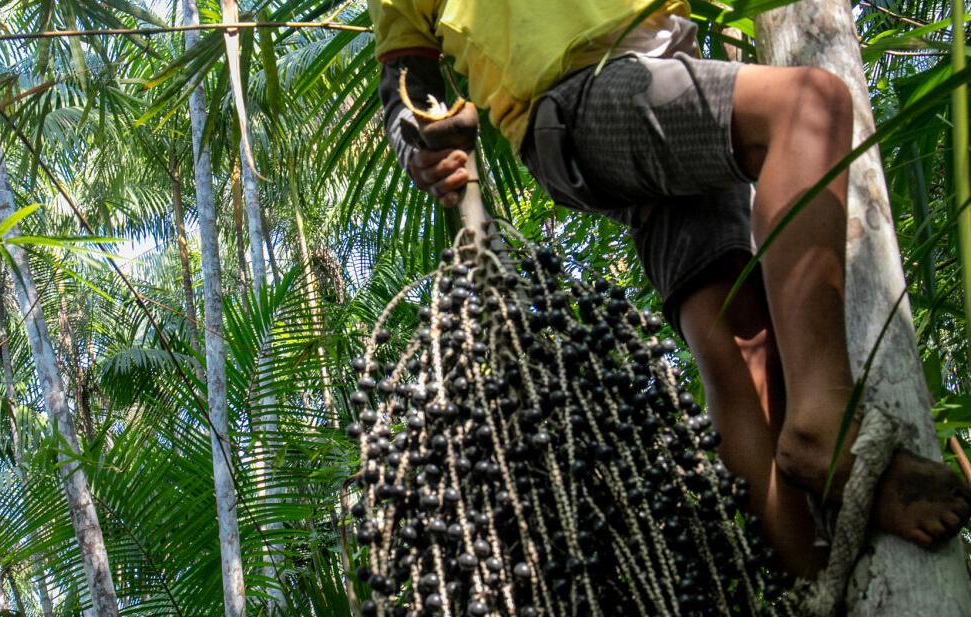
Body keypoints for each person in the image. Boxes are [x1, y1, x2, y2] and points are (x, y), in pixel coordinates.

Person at [367, 0, 971, 578]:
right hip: (581, 101)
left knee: (740, 345)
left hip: (667, 75)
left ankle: (808, 581)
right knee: (810, 107)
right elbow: (405, 87)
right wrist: (423, 146)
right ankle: (825, 424)